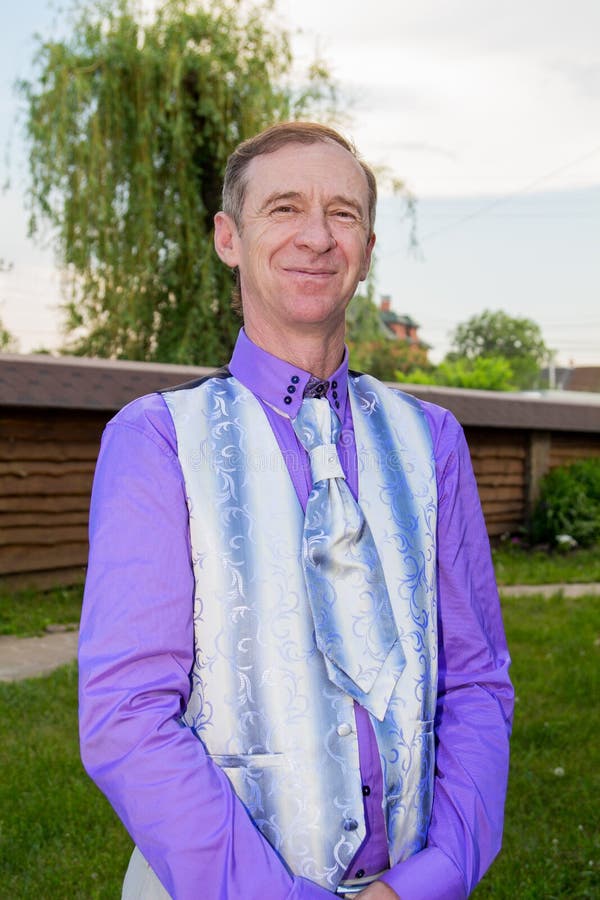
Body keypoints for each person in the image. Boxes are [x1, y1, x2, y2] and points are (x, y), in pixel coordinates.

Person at [79, 122, 514, 900]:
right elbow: (127, 716)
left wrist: (433, 877)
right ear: (228, 238)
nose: (316, 236)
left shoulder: (433, 440)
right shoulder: (155, 441)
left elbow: (476, 682)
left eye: (342, 213)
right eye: (284, 208)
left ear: (368, 247)